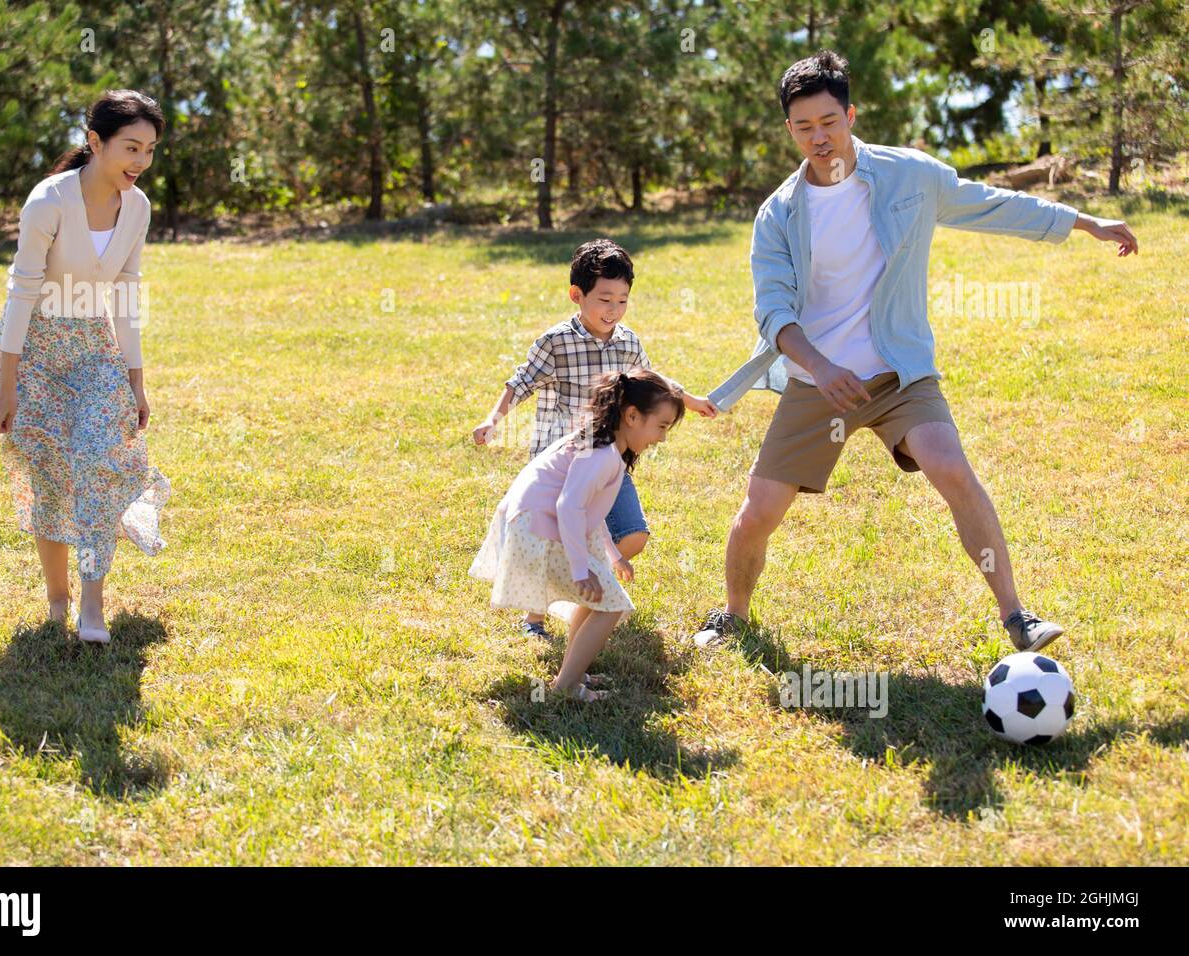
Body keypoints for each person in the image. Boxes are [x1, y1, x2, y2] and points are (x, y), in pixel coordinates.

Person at [692, 51, 1139, 652]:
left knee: (949, 464)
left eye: (829, 121)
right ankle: (734, 615)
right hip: (817, 381)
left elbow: (991, 204)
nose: (819, 138)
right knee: (758, 512)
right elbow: (773, 312)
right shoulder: (779, 213)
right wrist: (822, 368)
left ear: (850, 114)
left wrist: (1084, 222)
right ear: (789, 130)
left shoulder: (911, 176)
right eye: (804, 127)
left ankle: (1017, 616)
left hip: (898, 373)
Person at [0, 90, 171, 644]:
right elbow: (22, 293)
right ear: (95, 142)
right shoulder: (49, 201)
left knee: (96, 462)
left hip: (94, 349)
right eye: (130, 147)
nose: (140, 162)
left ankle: (93, 602)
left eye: (150, 150)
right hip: (35, 351)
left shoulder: (136, 208)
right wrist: (6, 385)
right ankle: (56, 601)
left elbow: (128, 292)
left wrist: (136, 381)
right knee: (49, 478)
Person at [473, 238, 716, 642]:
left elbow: (652, 383)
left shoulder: (627, 341)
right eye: (605, 299)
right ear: (576, 295)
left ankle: (584, 591)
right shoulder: (556, 342)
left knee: (633, 533)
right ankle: (535, 618)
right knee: (553, 538)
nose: (613, 310)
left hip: (608, 457)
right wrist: (492, 419)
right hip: (563, 463)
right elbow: (520, 383)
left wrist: (690, 400)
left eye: (622, 300)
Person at [471, 369, 686, 701]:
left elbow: (587, 510)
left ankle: (573, 671)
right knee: (610, 606)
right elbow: (569, 507)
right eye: (661, 426)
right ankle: (567, 686)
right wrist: (580, 569)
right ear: (631, 415)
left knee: (598, 598)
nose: (662, 438)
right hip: (539, 531)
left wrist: (613, 556)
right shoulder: (601, 455)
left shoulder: (602, 444)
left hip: (537, 525)